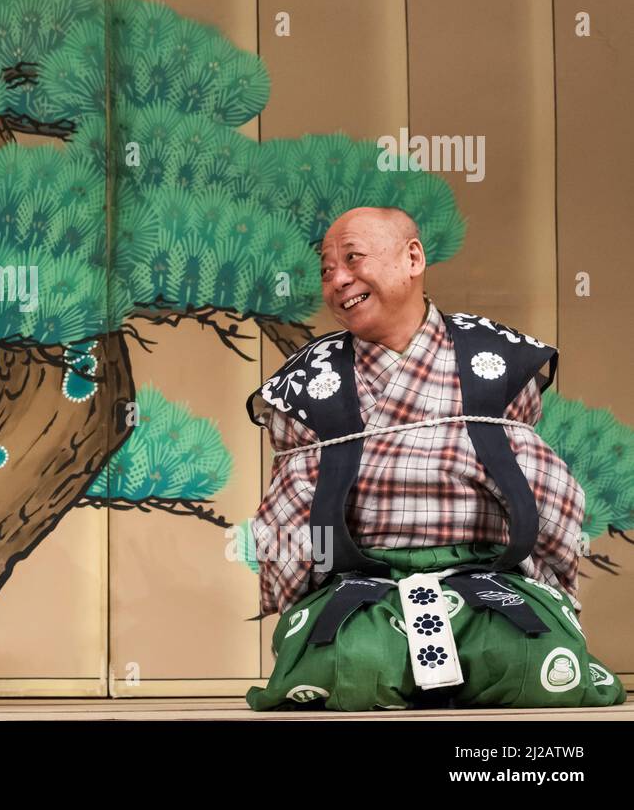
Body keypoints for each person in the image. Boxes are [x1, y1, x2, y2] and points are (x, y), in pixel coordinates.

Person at [245, 205, 625, 710]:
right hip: (363, 585)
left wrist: (551, 572)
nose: (338, 280)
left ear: (413, 257)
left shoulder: (497, 359)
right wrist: (293, 588)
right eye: (326, 270)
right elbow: (290, 502)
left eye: (353, 259)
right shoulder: (310, 381)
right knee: (349, 667)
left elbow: (537, 478)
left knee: (538, 664)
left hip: (485, 578)